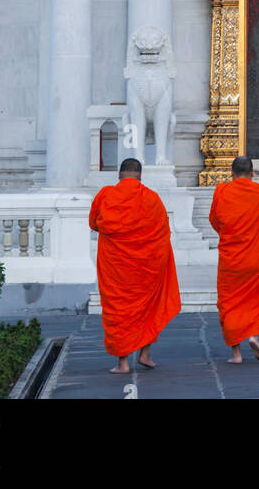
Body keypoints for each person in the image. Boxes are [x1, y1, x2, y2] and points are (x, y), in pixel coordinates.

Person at [88, 157, 181, 372]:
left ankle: (122, 363)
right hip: (147, 267)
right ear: (140, 176)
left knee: (118, 310)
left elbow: (94, 223)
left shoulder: (106, 195)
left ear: (120, 174)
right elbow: (163, 231)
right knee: (148, 308)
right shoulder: (152, 198)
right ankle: (145, 355)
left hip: (116, 267)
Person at [209, 154, 259, 363]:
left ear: (231, 173)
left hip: (232, 258)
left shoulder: (222, 191)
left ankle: (236, 354)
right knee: (256, 297)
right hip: (256, 256)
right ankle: (254, 335)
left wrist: (231, 234)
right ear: (252, 173)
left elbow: (215, 220)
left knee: (230, 302)